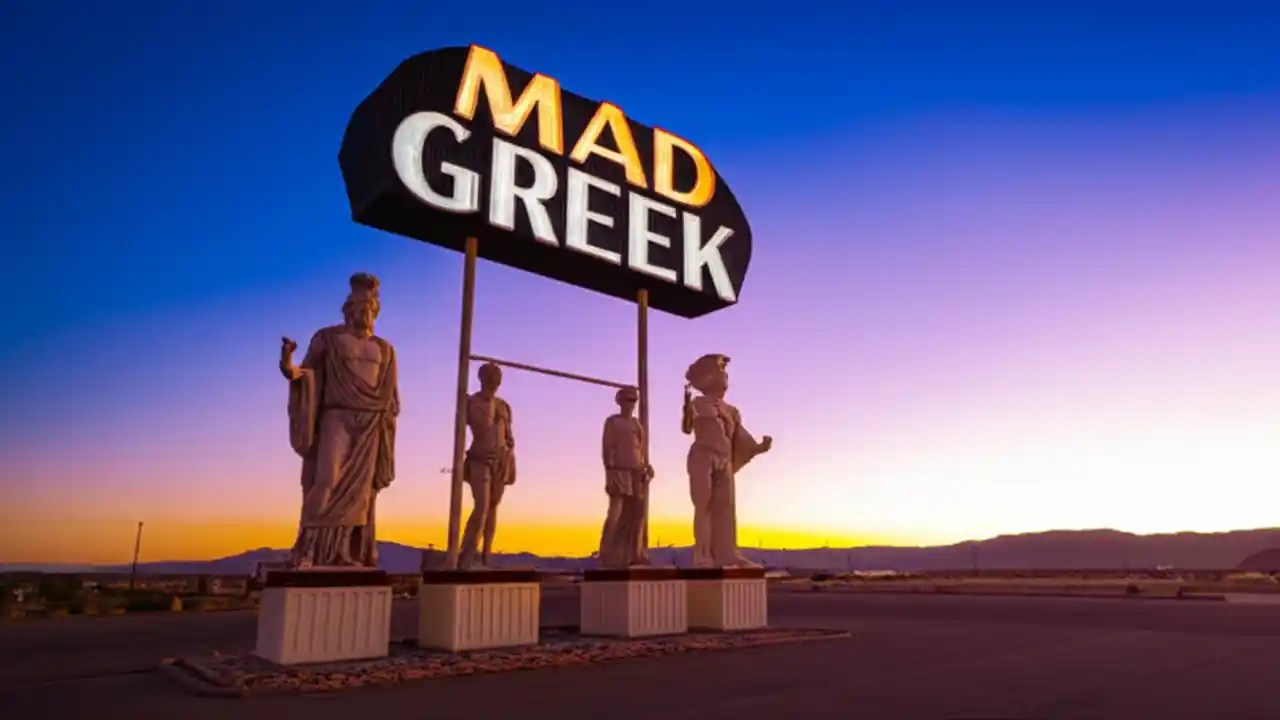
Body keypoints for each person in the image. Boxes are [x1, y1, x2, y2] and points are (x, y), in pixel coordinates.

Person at [279, 273, 399, 568]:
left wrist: (387, 421)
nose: (366, 313)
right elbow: (306, 374)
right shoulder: (329, 338)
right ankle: (308, 547)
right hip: (338, 414)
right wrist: (288, 366)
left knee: (360, 493)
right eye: (361, 307)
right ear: (350, 307)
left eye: (371, 308)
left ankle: (344, 552)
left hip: (370, 423)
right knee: (326, 480)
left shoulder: (384, 349)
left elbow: (391, 396)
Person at [682, 354, 772, 568]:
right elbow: (686, 429)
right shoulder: (698, 403)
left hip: (724, 460)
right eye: (721, 373)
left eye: (725, 374)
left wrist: (758, 447)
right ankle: (702, 554)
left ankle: (728, 553)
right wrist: (686, 407)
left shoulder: (731, 411)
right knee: (703, 506)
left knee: (726, 507)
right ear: (709, 379)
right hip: (703, 456)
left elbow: (739, 438)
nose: (725, 378)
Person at [458, 362, 516, 569]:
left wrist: (509, 457)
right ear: (482, 379)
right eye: (491, 377)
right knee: (481, 507)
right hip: (480, 458)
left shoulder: (503, 406)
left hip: (500, 461)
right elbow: (461, 428)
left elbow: (509, 437)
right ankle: (467, 554)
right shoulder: (471, 402)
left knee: (492, 509)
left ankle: (486, 556)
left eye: (497, 378)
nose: (495, 382)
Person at [597, 387, 654, 568]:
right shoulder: (613, 422)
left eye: (633, 401)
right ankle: (607, 553)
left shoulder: (637, 425)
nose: (631, 404)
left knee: (638, 515)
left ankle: (635, 554)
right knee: (616, 511)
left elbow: (641, 448)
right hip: (619, 471)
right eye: (628, 400)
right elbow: (607, 448)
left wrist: (647, 466)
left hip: (637, 472)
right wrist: (610, 471)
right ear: (620, 402)